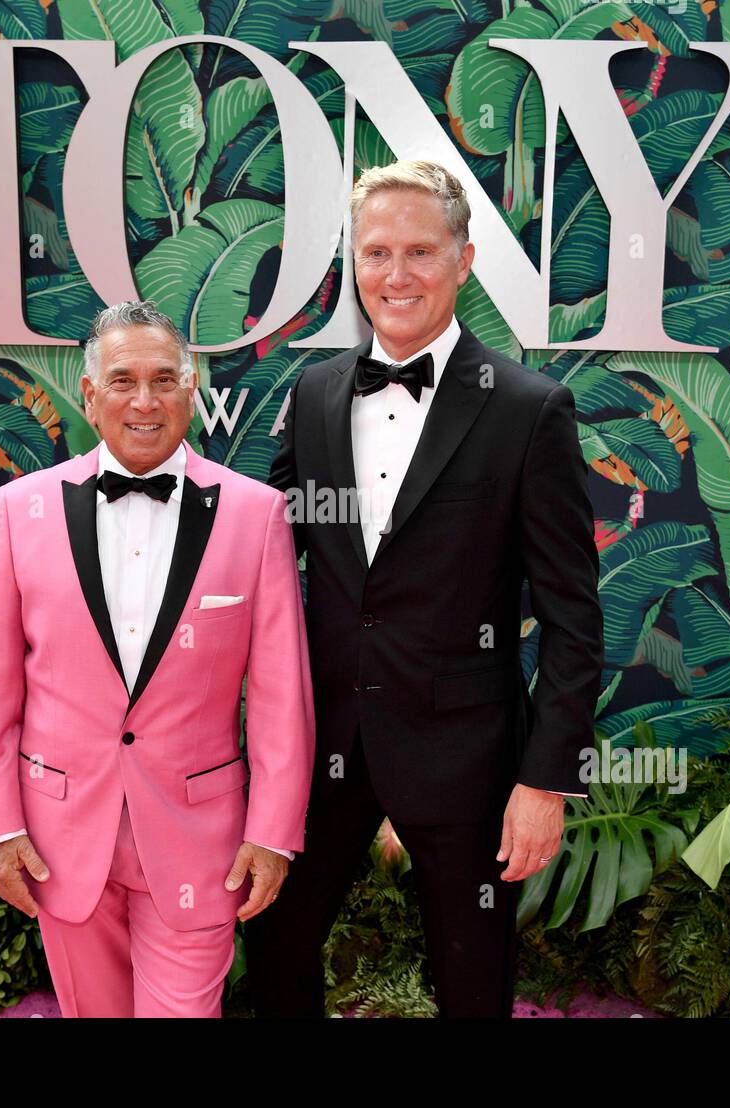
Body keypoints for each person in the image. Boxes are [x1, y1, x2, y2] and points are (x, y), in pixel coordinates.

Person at [244, 160, 604, 1018]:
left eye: (419, 251)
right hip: (325, 740)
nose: (395, 275)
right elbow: (263, 553)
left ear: (465, 259)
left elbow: (573, 618)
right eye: (374, 253)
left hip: (468, 754)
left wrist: (546, 781)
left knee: (471, 977)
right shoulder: (316, 390)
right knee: (276, 944)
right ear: (352, 265)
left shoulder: (529, 408)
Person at [0, 300, 314, 1017]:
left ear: (193, 391)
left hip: (199, 843)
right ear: (89, 397)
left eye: (165, 379)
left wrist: (273, 832)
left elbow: (282, 697)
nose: (145, 401)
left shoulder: (256, 515)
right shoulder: (18, 510)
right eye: (123, 380)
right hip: (59, 839)